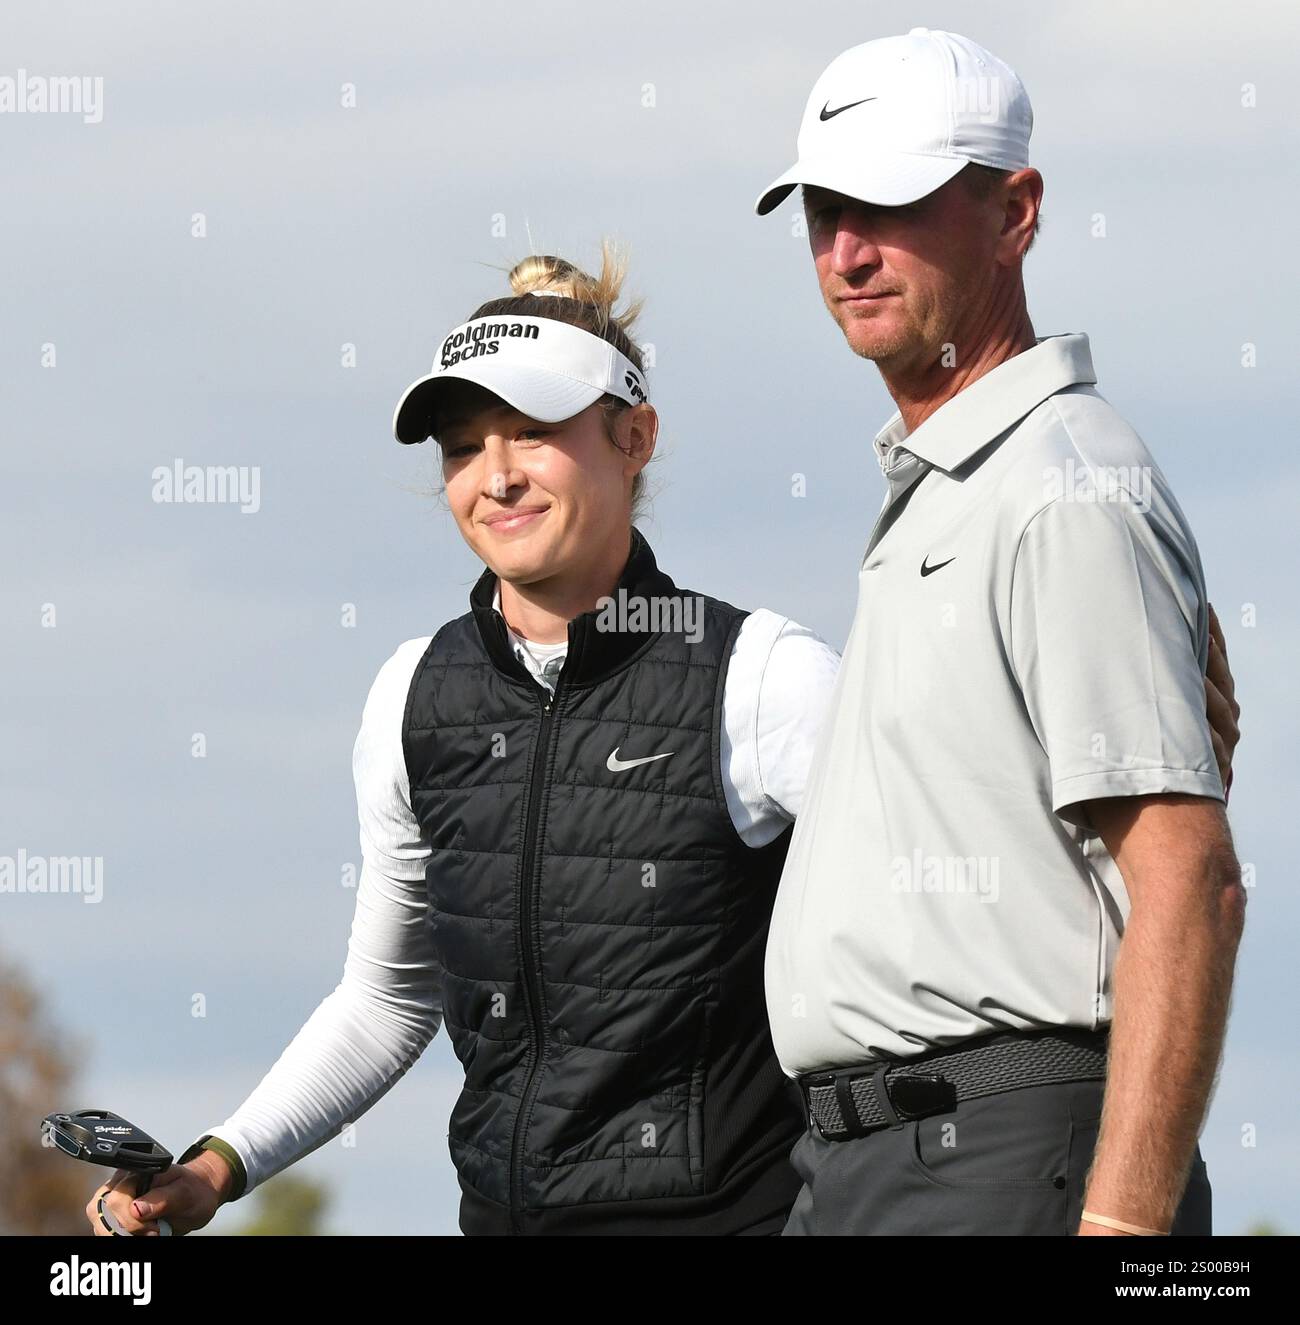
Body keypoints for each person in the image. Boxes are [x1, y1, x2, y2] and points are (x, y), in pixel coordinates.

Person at [86, 258, 1240, 1237]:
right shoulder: (409, 697)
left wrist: (1147, 722)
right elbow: (387, 1001)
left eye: (533, 433)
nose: (493, 475)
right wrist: (211, 1169)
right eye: (461, 444)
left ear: (632, 437)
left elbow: (971, 855)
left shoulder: (763, 675)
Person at [754, 28, 1246, 1236]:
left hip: (1004, 1156)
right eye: (823, 210)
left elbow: (1192, 881)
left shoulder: (1062, 479)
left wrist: (1125, 1233)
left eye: (893, 204)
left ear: (1015, 210)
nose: (847, 251)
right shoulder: (965, 479)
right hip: (879, 1162)